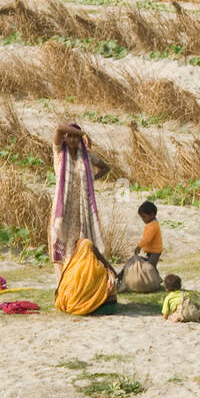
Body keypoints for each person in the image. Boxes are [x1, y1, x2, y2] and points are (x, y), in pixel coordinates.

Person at [49, 123, 116, 296]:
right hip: (63, 211)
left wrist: (91, 177)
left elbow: (106, 167)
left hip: (81, 210)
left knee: (79, 247)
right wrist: (82, 132)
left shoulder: (86, 156)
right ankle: (63, 288)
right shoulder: (59, 153)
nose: (71, 139)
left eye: (75, 137)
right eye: (69, 136)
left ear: (79, 139)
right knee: (62, 247)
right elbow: (59, 129)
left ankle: (79, 287)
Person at [135, 200, 163, 268]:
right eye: (141, 217)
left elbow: (147, 239)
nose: (142, 219)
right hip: (151, 251)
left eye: (144, 217)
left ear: (152, 215)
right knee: (150, 267)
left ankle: (156, 279)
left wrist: (139, 247)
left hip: (155, 252)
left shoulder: (152, 226)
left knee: (151, 268)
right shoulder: (152, 223)